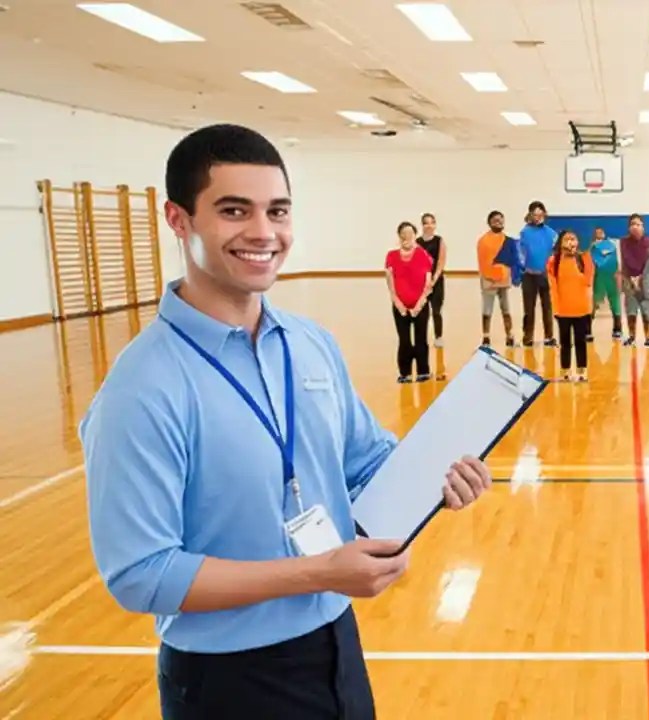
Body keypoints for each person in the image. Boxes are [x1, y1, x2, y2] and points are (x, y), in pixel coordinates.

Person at [78, 123, 493, 719]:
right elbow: (141, 574)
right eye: (233, 210)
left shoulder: (311, 344)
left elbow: (366, 460)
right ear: (178, 219)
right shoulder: (142, 387)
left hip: (335, 649)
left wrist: (439, 476)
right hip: (228, 680)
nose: (263, 233)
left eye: (277, 211)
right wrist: (317, 571)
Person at [385, 220, 433, 383]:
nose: (407, 237)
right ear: (399, 236)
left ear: (415, 235)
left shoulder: (422, 255)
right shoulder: (391, 256)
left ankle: (423, 371)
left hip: (420, 306)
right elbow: (390, 283)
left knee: (421, 339)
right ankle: (404, 373)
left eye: (410, 233)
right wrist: (398, 304)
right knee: (404, 340)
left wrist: (419, 304)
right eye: (403, 234)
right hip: (400, 307)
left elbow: (428, 283)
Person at [548, 229, 595, 382]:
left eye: (573, 239)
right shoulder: (553, 262)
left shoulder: (584, 259)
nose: (570, 242)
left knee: (581, 341)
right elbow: (553, 287)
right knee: (565, 342)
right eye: (567, 239)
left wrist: (586, 260)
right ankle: (565, 371)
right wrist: (556, 308)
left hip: (581, 309)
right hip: (563, 310)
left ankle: (582, 371)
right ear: (561, 242)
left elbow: (588, 281)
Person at [518, 200, 557, 347]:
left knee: (547, 307)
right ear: (530, 215)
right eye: (535, 214)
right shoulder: (524, 233)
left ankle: (549, 336)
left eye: (540, 214)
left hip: (545, 275)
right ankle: (528, 337)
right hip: (529, 275)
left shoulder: (551, 234)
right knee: (529, 308)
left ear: (544, 215)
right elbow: (520, 253)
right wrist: (522, 268)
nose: (537, 217)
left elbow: (555, 254)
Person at [477, 210, 515, 348]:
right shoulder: (483, 241)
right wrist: (490, 276)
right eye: (495, 220)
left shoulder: (507, 240)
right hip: (489, 281)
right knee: (487, 310)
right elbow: (483, 262)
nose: (498, 222)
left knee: (506, 309)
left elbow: (511, 260)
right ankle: (486, 337)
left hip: (503, 281)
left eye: (500, 220)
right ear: (489, 223)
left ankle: (509, 335)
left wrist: (507, 275)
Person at [619, 214, 649, 348]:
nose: (635, 227)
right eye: (633, 224)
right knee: (631, 311)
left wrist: (641, 277)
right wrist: (631, 278)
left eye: (638, 224)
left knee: (647, 312)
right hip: (629, 281)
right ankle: (631, 337)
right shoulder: (624, 242)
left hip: (646, 282)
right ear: (629, 227)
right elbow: (625, 260)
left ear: (643, 227)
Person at [415, 212, 447, 349]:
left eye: (431, 222)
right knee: (422, 312)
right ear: (422, 225)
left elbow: (441, 261)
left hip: (436, 281)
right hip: (420, 282)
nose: (429, 225)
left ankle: (438, 337)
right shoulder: (417, 243)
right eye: (426, 223)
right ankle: (420, 338)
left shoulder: (439, 241)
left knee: (436, 311)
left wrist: (433, 280)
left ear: (435, 225)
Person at [587, 226, 623, 342]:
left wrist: (619, 275)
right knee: (593, 303)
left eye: (601, 231)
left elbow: (617, 261)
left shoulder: (612, 245)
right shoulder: (593, 247)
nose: (600, 233)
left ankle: (617, 329)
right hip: (599, 278)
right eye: (597, 232)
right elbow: (591, 263)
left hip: (612, 277)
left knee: (615, 303)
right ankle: (587, 330)